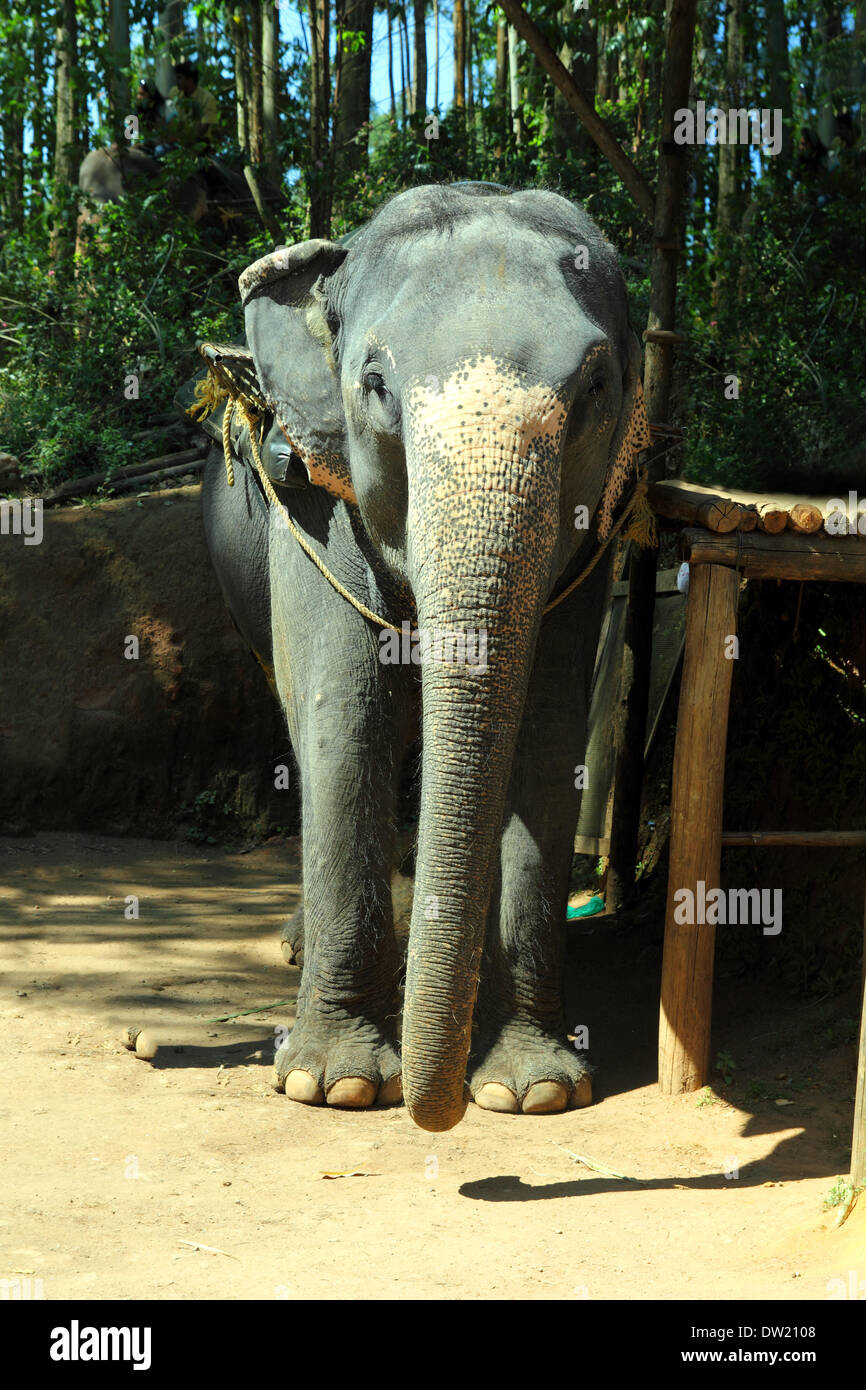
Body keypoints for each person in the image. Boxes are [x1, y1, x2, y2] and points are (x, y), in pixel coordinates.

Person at [169, 61, 220, 150]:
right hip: (175, 141)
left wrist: (184, 141)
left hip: (199, 143)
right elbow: (168, 118)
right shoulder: (174, 92)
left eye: (179, 78)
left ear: (190, 79)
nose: (176, 81)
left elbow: (203, 129)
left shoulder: (207, 98)